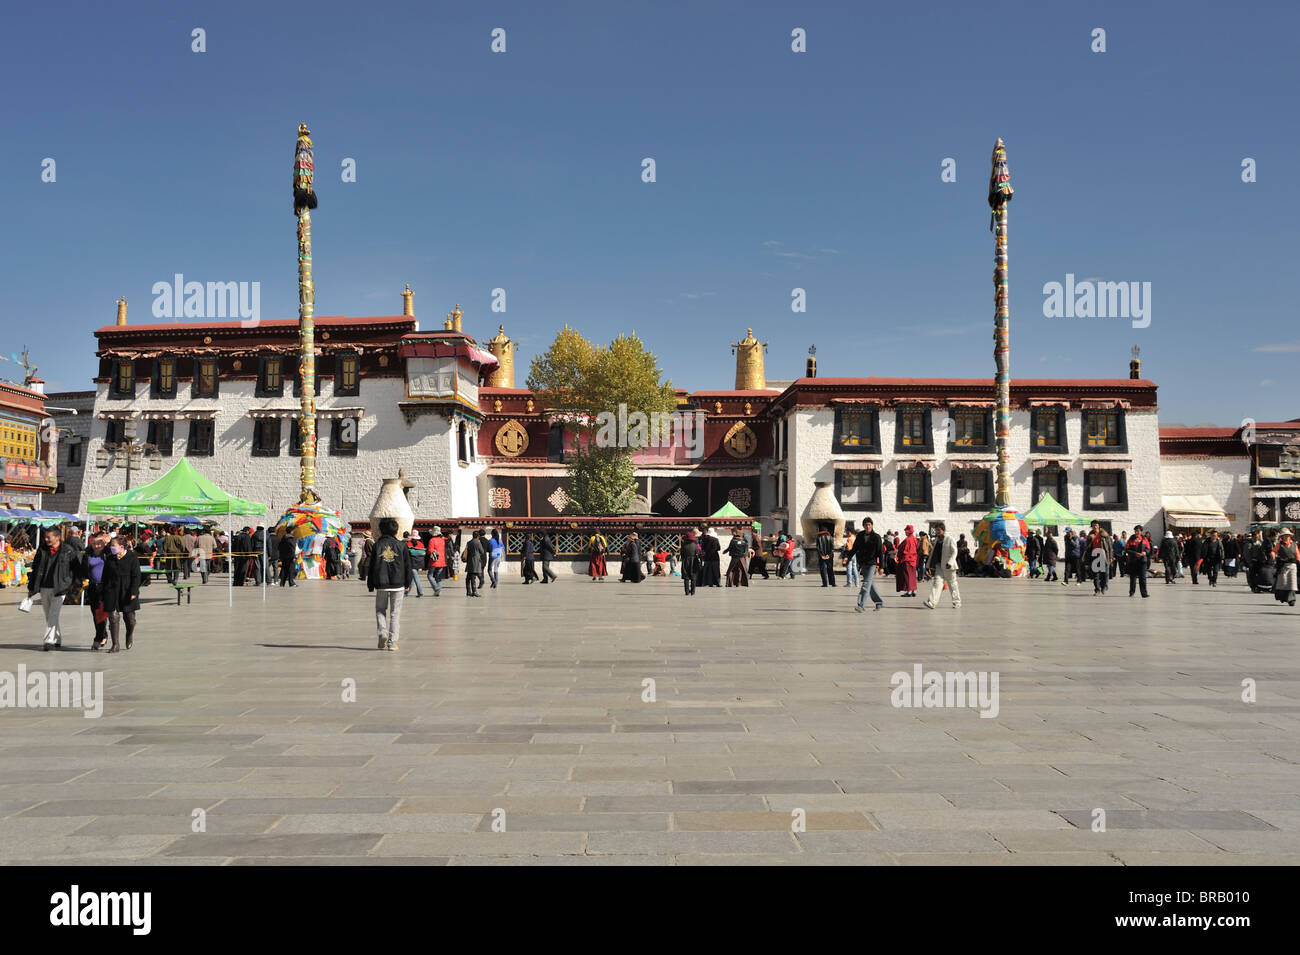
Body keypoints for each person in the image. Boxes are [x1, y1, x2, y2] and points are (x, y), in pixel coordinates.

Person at [28, 527, 76, 650]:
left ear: (57, 537)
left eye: (49, 537)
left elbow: (75, 569)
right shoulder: (42, 549)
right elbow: (35, 568)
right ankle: (57, 638)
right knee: (49, 615)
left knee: (53, 614)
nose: (46, 539)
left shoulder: (68, 550)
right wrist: (32, 587)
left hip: (59, 588)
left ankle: (49, 641)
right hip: (44, 586)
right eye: (45, 537)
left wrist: (70, 584)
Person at [367, 518, 411, 650]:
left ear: (381, 530)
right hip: (398, 584)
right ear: (396, 531)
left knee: (380, 610)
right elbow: (408, 566)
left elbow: (372, 566)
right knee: (395, 613)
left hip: (381, 584)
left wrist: (370, 584)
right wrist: (408, 582)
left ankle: (382, 632)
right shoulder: (402, 546)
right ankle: (392, 642)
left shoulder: (377, 546)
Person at [101, 537, 141, 652]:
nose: (111, 548)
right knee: (113, 617)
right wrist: (104, 591)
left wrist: (134, 591)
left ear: (122, 547)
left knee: (130, 619)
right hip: (112, 590)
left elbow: (136, 576)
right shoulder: (109, 558)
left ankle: (129, 634)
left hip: (127, 590)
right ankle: (115, 644)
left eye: (113, 545)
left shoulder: (132, 558)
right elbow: (105, 575)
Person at [81, 534, 111, 650]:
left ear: (104, 544)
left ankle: (99, 638)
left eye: (99, 543)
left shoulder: (108, 554)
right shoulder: (88, 554)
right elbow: (83, 569)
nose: (97, 546)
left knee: (102, 612)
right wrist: (84, 579)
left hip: (105, 587)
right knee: (95, 613)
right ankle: (102, 634)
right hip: (93, 586)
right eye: (94, 543)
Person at [923, 521, 961, 609]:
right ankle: (932, 602)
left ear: (943, 530)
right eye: (936, 530)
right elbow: (933, 553)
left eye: (938, 530)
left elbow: (954, 551)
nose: (937, 532)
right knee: (937, 584)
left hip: (949, 566)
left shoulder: (949, 539)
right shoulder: (937, 540)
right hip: (939, 565)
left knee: (952, 585)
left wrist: (950, 562)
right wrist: (929, 565)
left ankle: (956, 602)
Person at [852, 518, 884, 613]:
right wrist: (847, 557)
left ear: (872, 525)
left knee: (866, 584)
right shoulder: (860, 535)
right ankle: (879, 602)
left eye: (869, 524)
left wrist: (881, 567)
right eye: (866, 525)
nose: (868, 526)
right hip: (863, 563)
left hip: (872, 564)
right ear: (863, 526)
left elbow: (880, 552)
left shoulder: (877, 537)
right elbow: (855, 548)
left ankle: (860, 605)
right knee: (869, 584)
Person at [1273, 527, 1297, 607]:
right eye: (1285, 535)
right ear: (1282, 536)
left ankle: (1292, 599)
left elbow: (1298, 554)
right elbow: (1274, 551)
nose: (1287, 536)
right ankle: (1284, 598)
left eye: (1288, 535)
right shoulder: (1279, 544)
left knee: (1292, 582)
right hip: (1283, 565)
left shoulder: (1294, 544)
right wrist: (1273, 557)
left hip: (1293, 565)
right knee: (1284, 582)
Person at [1125, 525, 1151, 598]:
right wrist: (1135, 553)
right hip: (1133, 561)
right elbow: (1127, 549)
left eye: (1138, 531)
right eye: (1136, 531)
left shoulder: (1144, 539)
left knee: (1142, 578)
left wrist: (1145, 552)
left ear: (1141, 531)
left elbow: (1148, 549)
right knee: (1133, 578)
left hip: (1142, 561)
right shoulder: (1131, 539)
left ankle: (1144, 593)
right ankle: (1132, 592)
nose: (1137, 532)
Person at [1087, 523, 1110, 596]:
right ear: (1092, 527)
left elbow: (1109, 546)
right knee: (1096, 574)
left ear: (1099, 526)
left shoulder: (1104, 535)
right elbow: (1087, 548)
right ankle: (1097, 589)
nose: (1095, 527)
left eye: (1096, 525)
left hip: (1103, 555)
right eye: (1093, 525)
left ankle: (1103, 587)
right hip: (1094, 556)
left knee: (1104, 574)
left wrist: (1110, 557)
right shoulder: (1090, 536)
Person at [895, 525, 918, 596]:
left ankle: (909, 591)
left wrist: (898, 557)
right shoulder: (914, 539)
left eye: (906, 531)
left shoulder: (907, 540)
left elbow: (903, 550)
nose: (905, 532)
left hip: (906, 560)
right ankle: (914, 590)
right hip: (913, 560)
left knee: (907, 576)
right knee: (913, 576)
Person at [463, 530, 486, 597]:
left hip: (469, 561)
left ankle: (468, 591)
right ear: (478, 536)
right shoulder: (478, 543)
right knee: (473, 577)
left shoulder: (469, 542)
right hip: (476, 561)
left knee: (468, 577)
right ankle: (474, 591)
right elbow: (482, 551)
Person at [404, 532, 425, 597]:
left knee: (416, 577)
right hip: (419, 563)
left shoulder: (408, 544)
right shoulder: (421, 544)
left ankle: (420, 591)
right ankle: (407, 592)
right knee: (412, 578)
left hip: (411, 563)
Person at [426, 527, 446, 596]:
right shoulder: (442, 540)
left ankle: (436, 588)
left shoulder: (432, 540)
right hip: (442, 561)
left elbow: (430, 550)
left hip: (434, 561)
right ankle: (438, 591)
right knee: (438, 576)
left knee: (430, 575)